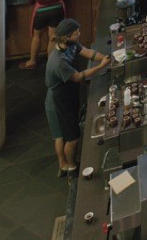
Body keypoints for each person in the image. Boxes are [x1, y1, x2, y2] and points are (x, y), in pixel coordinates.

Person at [45, 17, 108, 175]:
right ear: (66, 37)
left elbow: (86, 52)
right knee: (70, 136)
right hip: (57, 100)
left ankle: (63, 165)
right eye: (76, 33)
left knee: (62, 133)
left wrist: (105, 58)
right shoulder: (58, 61)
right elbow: (79, 77)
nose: (79, 34)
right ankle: (71, 166)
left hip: (66, 94)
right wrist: (101, 66)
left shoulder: (71, 45)